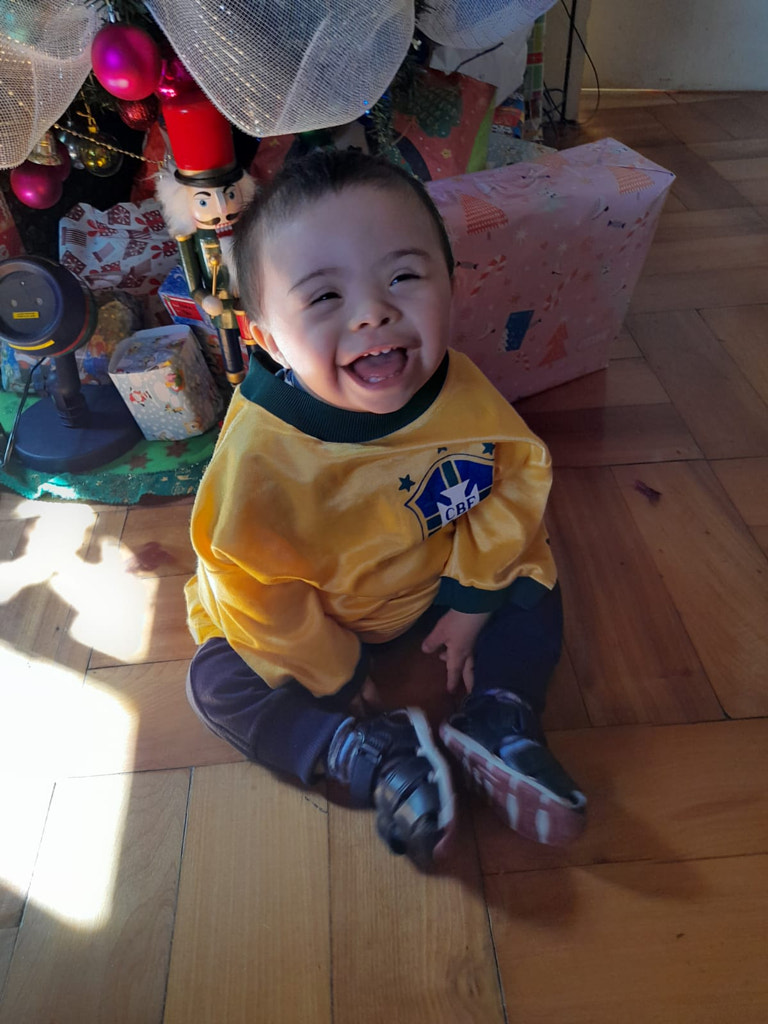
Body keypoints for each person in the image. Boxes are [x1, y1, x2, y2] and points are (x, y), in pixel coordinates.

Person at [184, 148, 586, 870]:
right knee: (216, 680)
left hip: (429, 590)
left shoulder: (458, 389)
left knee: (535, 576)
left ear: (450, 288)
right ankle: (364, 755)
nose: (374, 311)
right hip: (313, 620)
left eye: (404, 276)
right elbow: (252, 591)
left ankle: (499, 715)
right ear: (268, 339)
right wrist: (328, 672)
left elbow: (514, 478)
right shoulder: (259, 461)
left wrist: (473, 599)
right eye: (325, 298)